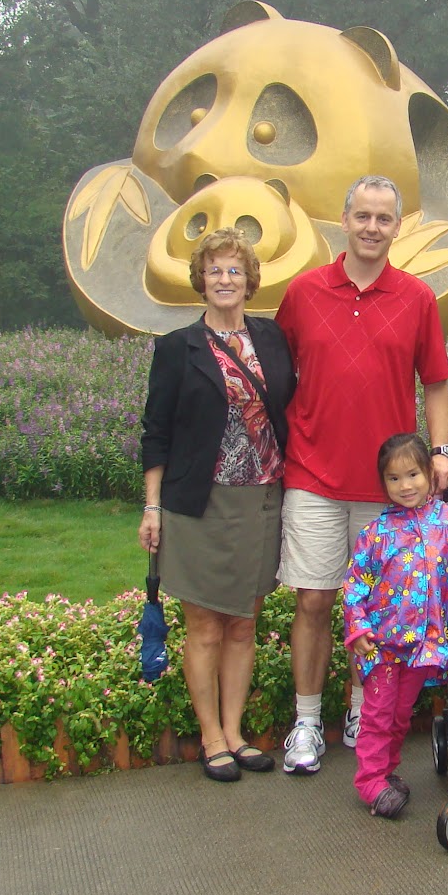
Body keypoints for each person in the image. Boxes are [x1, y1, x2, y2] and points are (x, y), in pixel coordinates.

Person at [275, 175, 448, 776]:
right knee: (314, 599)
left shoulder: (417, 298)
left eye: (384, 218)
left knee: (378, 609)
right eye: (362, 216)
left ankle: (361, 709)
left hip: (391, 488)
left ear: (396, 227)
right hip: (313, 473)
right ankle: (305, 723)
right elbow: (276, 377)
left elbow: (435, 382)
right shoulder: (303, 293)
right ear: (344, 221)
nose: (372, 227)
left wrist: (439, 450)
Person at [139, 227, 295, 783]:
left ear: (249, 280)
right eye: (214, 270)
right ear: (200, 281)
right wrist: (152, 507)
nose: (224, 279)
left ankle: (235, 731)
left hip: (261, 501)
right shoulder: (177, 348)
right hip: (198, 504)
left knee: (244, 624)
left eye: (234, 270)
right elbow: (155, 432)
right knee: (205, 625)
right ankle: (210, 737)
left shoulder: (273, 340)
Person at [342, 434, 448, 818]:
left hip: (427, 644)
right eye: (394, 479)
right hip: (383, 645)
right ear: (383, 483)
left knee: (400, 714)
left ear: (429, 473)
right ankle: (371, 781)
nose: (405, 486)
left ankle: (386, 772)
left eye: (412, 475)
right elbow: (355, 586)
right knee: (377, 713)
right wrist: (357, 628)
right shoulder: (375, 534)